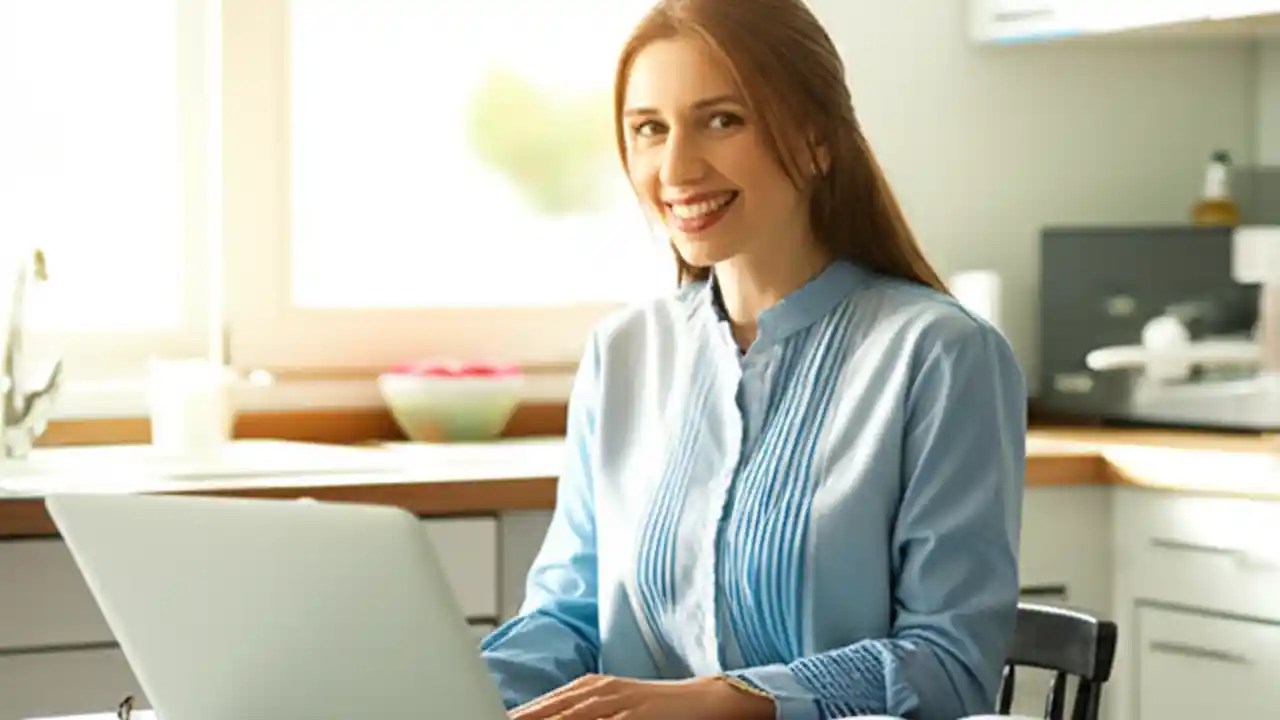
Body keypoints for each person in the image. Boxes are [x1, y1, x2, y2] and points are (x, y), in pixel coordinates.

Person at [480, 1, 1026, 718]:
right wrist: (436, 688)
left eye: (722, 120)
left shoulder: (940, 355)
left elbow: (951, 669)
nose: (675, 167)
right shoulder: (624, 356)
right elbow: (570, 619)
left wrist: (732, 701)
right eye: (649, 128)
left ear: (818, 137)